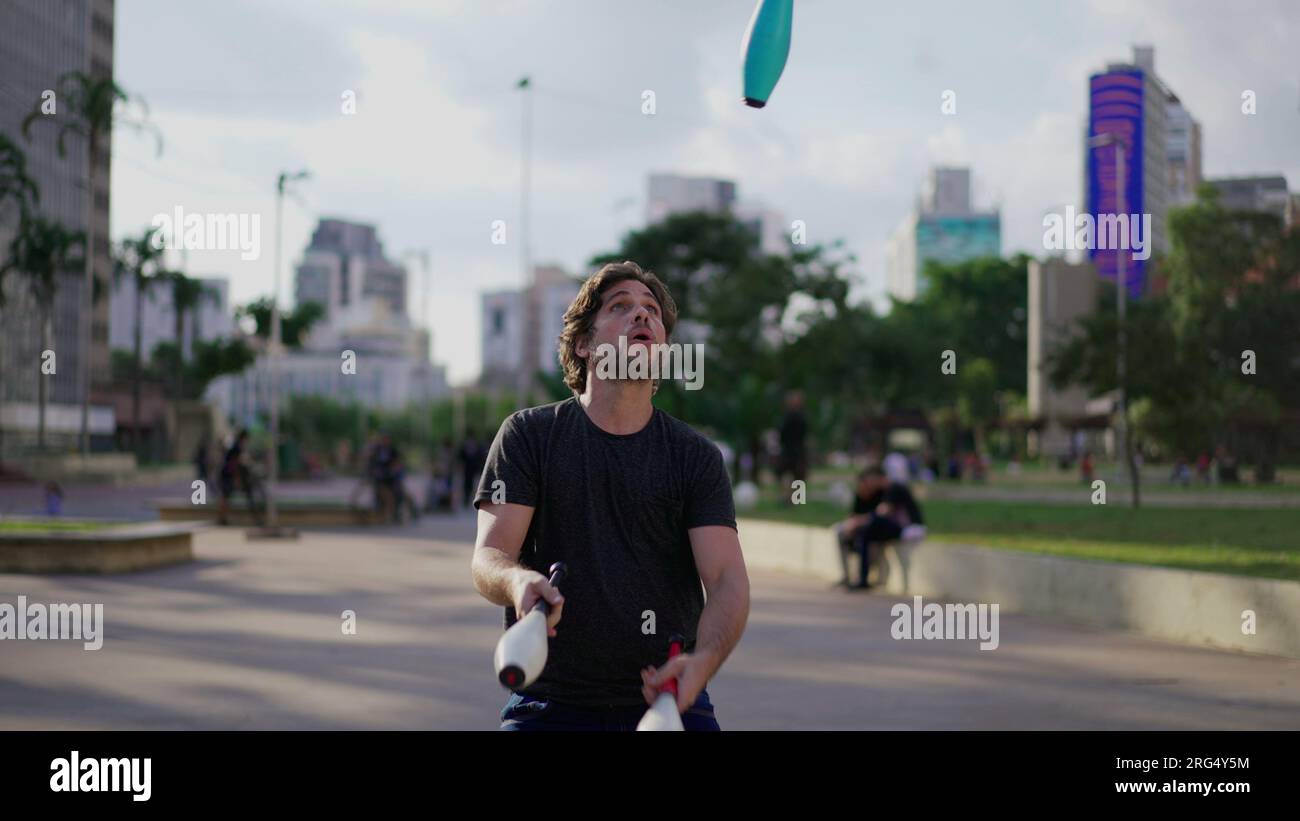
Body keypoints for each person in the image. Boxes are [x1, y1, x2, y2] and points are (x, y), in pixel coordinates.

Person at [470, 260, 749, 732]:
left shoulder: (695, 456)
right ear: (583, 343)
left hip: (666, 698)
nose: (643, 316)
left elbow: (726, 581)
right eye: (621, 307)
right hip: (550, 701)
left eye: (651, 310)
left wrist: (703, 665)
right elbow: (491, 555)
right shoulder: (529, 436)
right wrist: (518, 583)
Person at [835, 466, 923, 590]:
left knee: (867, 529)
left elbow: (883, 512)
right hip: (900, 528)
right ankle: (860, 577)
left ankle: (863, 579)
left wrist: (859, 522)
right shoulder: (883, 491)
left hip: (910, 529)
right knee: (863, 533)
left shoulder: (894, 488)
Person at [217, 430, 260, 525]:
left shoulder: (235, 446)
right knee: (226, 496)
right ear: (243, 439)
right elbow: (234, 464)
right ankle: (222, 518)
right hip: (227, 475)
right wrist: (237, 479)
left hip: (226, 474)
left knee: (225, 497)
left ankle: (222, 518)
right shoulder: (237, 448)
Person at [776, 391, 808, 502]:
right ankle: (787, 497)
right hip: (788, 449)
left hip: (797, 450)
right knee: (783, 473)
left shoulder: (799, 416)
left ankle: (797, 499)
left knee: (798, 475)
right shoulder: (789, 416)